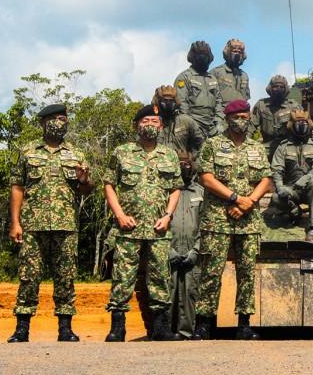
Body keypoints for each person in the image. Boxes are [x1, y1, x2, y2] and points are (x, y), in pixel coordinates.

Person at [6, 103, 93, 343]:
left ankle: (65, 328)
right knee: (28, 275)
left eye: (63, 118)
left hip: (65, 224)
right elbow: (17, 187)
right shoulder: (27, 151)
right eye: (55, 118)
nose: (59, 122)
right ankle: (22, 328)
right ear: (43, 123)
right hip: (33, 224)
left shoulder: (76, 154)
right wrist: (15, 222)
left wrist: (84, 180)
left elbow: (86, 190)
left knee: (66, 276)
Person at [102, 105, 182, 342]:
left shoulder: (169, 155)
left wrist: (168, 216)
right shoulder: (122, 152)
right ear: (136, 125)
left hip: (159, 229)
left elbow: (175, 188)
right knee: (123, 277)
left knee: (159, 277)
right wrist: (119, 215)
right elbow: (109, 185)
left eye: (155, 121)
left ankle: (160, 328)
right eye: (145, 120)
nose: (150, 125)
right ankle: (118, 328)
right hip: (128, 228)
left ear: (162, 127)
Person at [193, 99, 273, 340]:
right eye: (237, 117)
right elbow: (205, 178)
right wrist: (236, 198)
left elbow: (266, 180)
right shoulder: (213, 144)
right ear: (227, 119)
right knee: (211, 271)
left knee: (247, 273)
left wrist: (249, 203)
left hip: (248, 221)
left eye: (245, 117)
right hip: (218, 219)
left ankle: (244, 324)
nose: (242, 121)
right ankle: (204, 323)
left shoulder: (257, 147)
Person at [270, 109, 313, 242]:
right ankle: (295, 212)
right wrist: (280, 187)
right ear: (291, 124)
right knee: (276, 197)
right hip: (292, 189)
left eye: (304, 122)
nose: (301, 124)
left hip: (311, 190)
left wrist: (304, 179)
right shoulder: (283, 146)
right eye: (298, 122)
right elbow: (276, 170)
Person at [168, 152, 203, 341]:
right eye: (180, 163)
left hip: (192, 251)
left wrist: (196, 250)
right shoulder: (165, 191)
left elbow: (204, 224)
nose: (184, 167)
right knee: (167, 291)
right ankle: (166, 331)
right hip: (168, 249)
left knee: (190, 292)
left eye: (187, 163)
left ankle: (186, 332)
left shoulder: (200, 192)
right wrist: (168, 250)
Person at [174, 41, 221, 136]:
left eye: (205, 55)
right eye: (199, 55)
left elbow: (219, 102)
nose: (202, 58)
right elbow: (182, 104)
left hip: (212, 126)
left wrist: (218, 120)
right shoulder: (184, 77)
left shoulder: (212, 79)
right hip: (193, 125)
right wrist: (190, 125)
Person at [252, 74, 301, 159]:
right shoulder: (261, 105)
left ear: (285, 89)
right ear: (270, 88)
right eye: (275, 86)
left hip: (288, 146)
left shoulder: (293, 106)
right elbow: (250, 125)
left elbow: (302, 128)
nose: (278, 89)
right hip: (267, 146)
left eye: (281, 87)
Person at [153, 85, 205, 158]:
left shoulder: (186, 121)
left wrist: (192, 157)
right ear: (158, 102)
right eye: (165, 101)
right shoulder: (151, 123)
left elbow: (201, 142)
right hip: (158, 163)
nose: (168, 103)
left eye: (171, 101)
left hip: (182, 165)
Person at [211, 38, 251, 106]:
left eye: (240, 52)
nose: (237, 54)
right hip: (222, 113)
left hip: (239, 113)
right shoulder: (216, 72)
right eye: (234, 51)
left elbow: (246, 98)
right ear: (228, 52)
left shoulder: (244, 76)